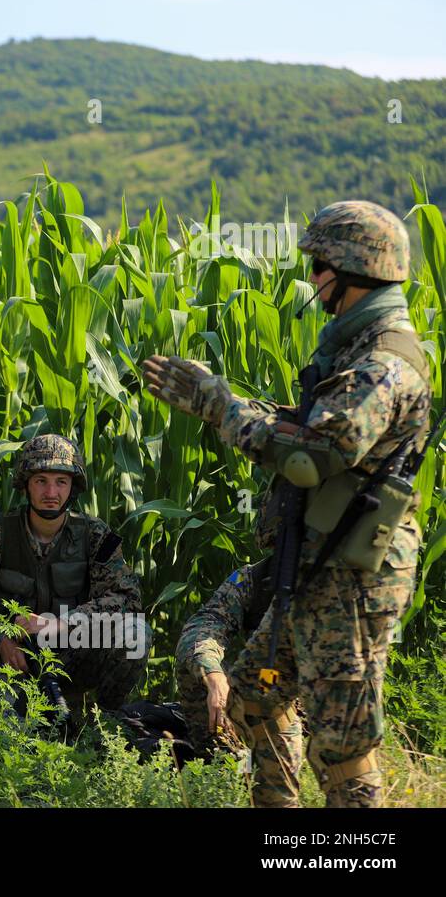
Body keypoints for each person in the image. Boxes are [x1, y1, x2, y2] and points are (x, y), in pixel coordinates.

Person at [144, 200, 431, 807]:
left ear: (354, 272)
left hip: (351, 581)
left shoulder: (382, 364)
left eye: (320, 266)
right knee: (254, 696)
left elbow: (312, 458)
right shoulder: (355, 352)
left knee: (343, 748)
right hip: (317, 568)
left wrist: (220, 405)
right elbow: (312, 431)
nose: (313, 280)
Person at [0, 435, 147, 712]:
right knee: (8, 736)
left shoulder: (95, 536)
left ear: (73, 487)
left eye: (61, 482)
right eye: (41, 481)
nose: (51, 492)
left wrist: (61, 623)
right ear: (26, 486)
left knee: (137, 633)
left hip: (74, 654)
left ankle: (105, 721)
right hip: (14, 662)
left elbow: (128, 600)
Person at [175, 560, 303, 803]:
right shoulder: (256, 578)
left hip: (313, 707)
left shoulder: (335, 582)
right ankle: (226, 762)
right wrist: (214, 676)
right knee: (198, 668)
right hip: (262, 695)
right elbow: (204, 626)